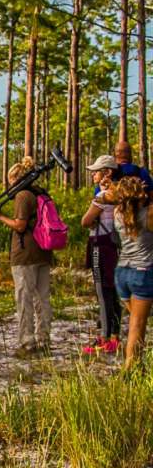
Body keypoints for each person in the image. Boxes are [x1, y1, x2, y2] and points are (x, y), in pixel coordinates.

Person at [0, 157, 54, 358]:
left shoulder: (23, 195)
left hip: (25, 252)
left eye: (11, 181)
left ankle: (27, 342)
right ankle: (44, 339)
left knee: (24, 298)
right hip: (44, 251)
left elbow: (20, 225)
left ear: (17, 179)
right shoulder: (41, 193)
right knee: (42, 298)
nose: (10, 185)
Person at [100, 177, 153, 367]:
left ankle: (138, 364)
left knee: (137, 322)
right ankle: (131, 370)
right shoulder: (149, 214)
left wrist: (108, 189)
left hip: (122, 273)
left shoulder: (117, 213)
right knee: (137, 324)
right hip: (142, 272)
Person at [81, 155, 122, 355]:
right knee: (112, 291)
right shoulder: (121, 194)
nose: (93, 174)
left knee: (102, 291)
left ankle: (104, 338)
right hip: (113, 245)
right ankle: (115, 337)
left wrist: (91, 221)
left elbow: (85, 220)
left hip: (100, 244)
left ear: (108, 172)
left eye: (97, 171)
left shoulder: (104, 196)